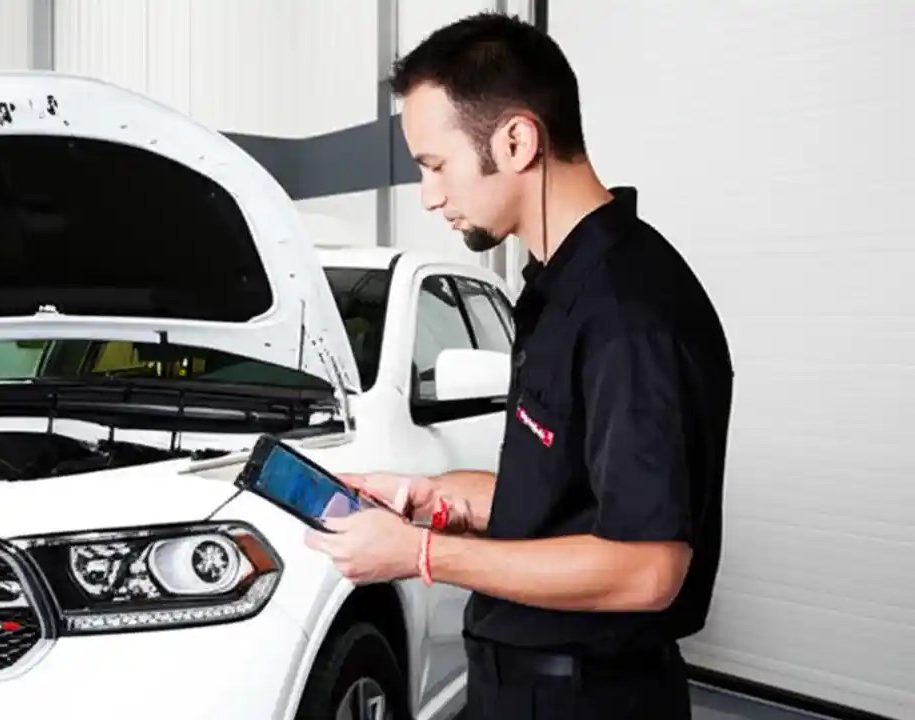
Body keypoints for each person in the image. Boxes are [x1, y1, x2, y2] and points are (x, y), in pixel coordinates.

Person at [304, 11, 734, 720]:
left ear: (516, 140)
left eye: (434, 166)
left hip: (588, 700)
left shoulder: (628, 311)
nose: (431, 196)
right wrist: (430, 494)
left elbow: (647, 567)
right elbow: (568, 497)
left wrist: (420, 555)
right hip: (526, 685)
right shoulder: (558, 288)